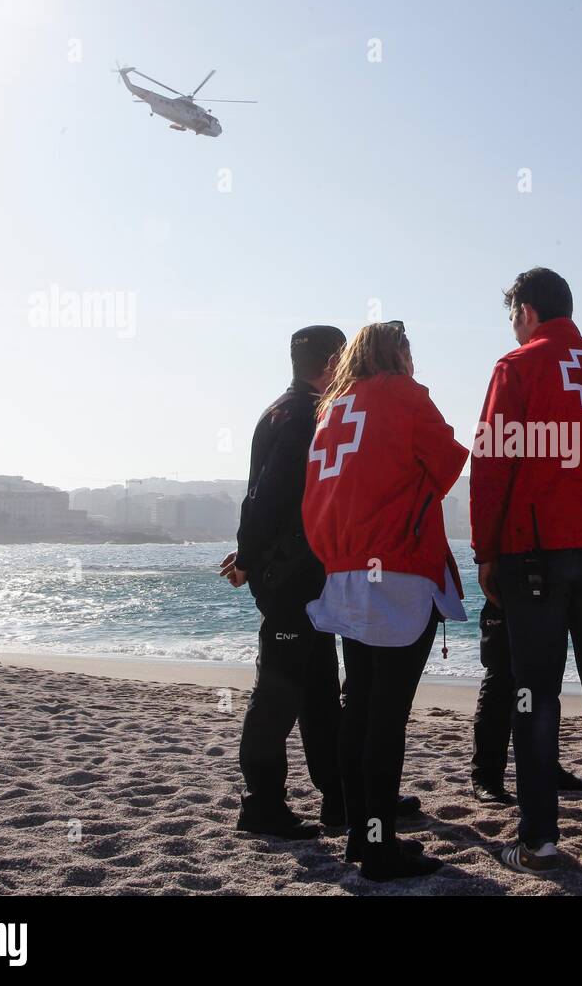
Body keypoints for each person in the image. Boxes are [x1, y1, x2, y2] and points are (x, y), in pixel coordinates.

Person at [471, 267, 582, 873]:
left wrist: (486, 552)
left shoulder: (517, 367)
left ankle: (541, 840)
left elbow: (492, 465)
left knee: (536, 692)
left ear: (525, 311)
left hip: (536, 552)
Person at [302, 320, 469, 882]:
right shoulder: (403, 394)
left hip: (344, 571)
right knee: (386, 715)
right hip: (396, 569)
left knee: (361, 705)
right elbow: (448, 463)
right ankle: (379, 849)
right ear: (399, 354)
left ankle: (358, 834)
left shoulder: (332, 406)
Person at [221, 325, 348, 840]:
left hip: (297, 573)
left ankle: (338, 798)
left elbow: (257, 496)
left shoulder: (279, 409)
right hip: (293, 576)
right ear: (332, 361)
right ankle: (262, 805)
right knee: (277, 692)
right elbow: (267, 497)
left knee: (318, 688)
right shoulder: (304, 416)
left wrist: (253, 553)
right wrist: (249, 558)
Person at [470, 600, 582, 804]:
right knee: (499, 682)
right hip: (508, 588)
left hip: (549, 595)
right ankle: (486, 778)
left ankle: (546, 767)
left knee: (541, 686)